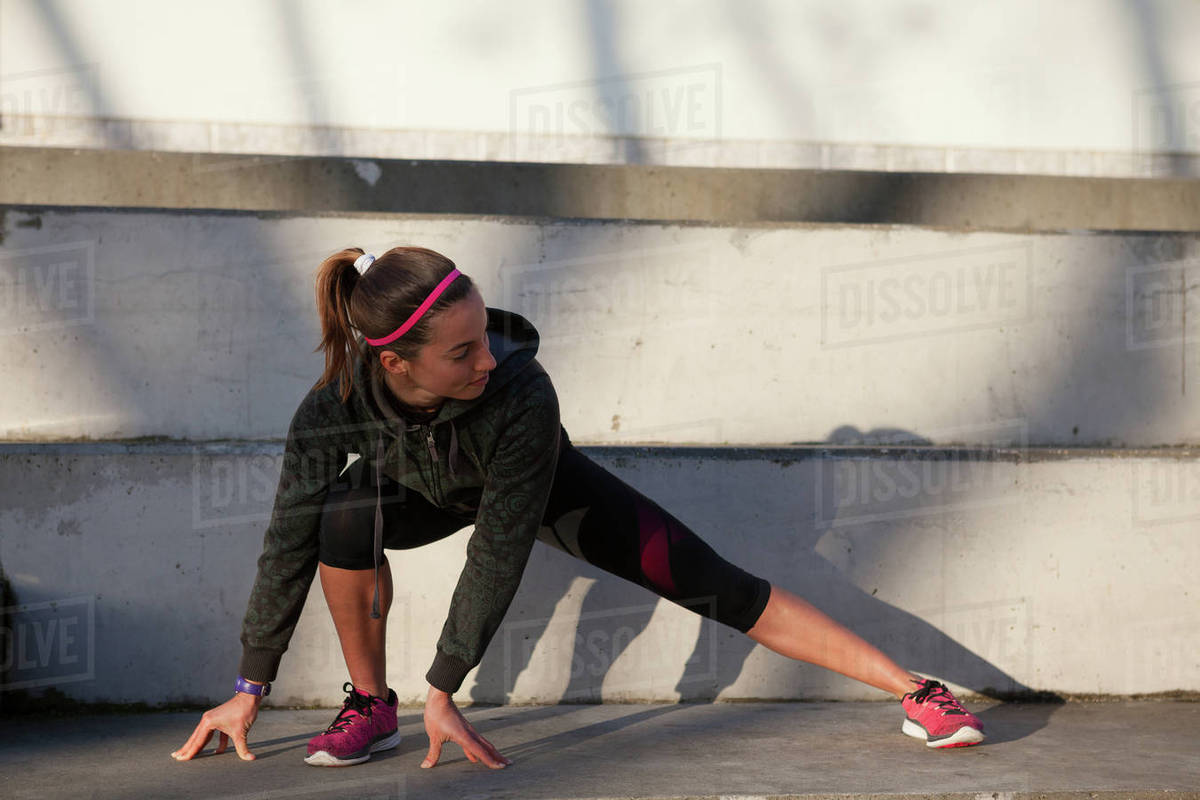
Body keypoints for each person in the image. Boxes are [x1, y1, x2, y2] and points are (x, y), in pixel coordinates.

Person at [171, 246, 984, 769]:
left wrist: (447, 685)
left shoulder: (521, 391)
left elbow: (499, 546)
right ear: (397, 362)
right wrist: (252, 682)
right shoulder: (334, 408)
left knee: (714, 582)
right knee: (340, 513)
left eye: (483, 335)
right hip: (417, 492)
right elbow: (284, 545)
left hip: (538, 490)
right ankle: (371, 705)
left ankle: (916, 690)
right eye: (461, 353)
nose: (488, 359)